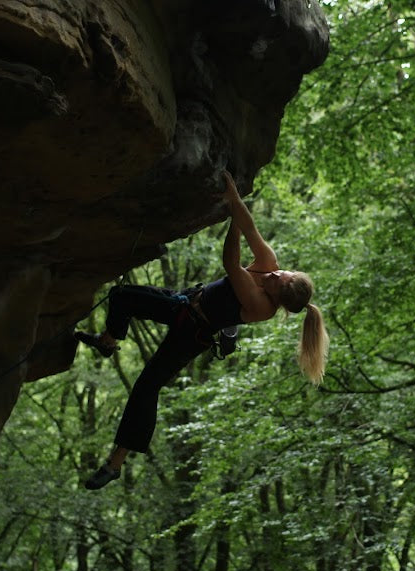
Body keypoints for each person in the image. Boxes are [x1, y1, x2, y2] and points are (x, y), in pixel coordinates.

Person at [75, 171, 329, 490]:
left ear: (279, 295)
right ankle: (108, 341)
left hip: (191, 335)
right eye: (286, 271)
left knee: (146, 387)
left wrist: (233, 217)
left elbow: (231, 263)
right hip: (184, 303)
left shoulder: (262, 307)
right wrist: (235, 200)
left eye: (281, 279)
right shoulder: (270, 264)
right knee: (122, 297)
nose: (278, 272)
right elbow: (251, 227)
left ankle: (114, 463)